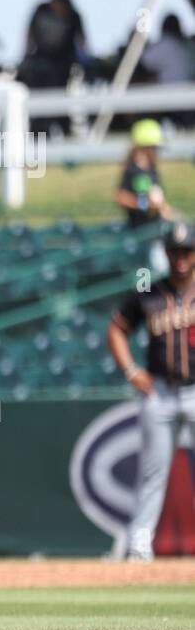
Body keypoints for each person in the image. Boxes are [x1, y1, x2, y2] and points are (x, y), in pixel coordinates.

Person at [107, 220, 195, 561]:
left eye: (186, 251)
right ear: (166, 254)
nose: (180, 258)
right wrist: (131, 370)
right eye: (174, 251)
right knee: (152, 473)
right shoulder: (148, 292)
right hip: (160, 391)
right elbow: (116, 329)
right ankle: (139, 548)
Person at [117, 118, 174, 276]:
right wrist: (144, 204)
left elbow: (158, 199)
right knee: (154, 273)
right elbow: (121, 196)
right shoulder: (133, 171)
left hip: (156, 232)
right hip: (142, 234)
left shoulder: (152, 171)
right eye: (154, 148)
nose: (157, 153)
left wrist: (164, 208)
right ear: (144, 148)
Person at [20, 0, 88, 89]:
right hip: (41, 58)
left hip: (64, 61)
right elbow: (30, 32)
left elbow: (81, 40)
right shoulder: (42, 10)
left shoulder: (73, 16)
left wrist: (85, 60)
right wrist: (26, 54)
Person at [141, 14, 195, 85]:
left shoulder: (166, 43)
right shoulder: (188, 44)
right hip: (189, 89)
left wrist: (144, 44)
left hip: (171, 91)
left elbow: (144, 61)